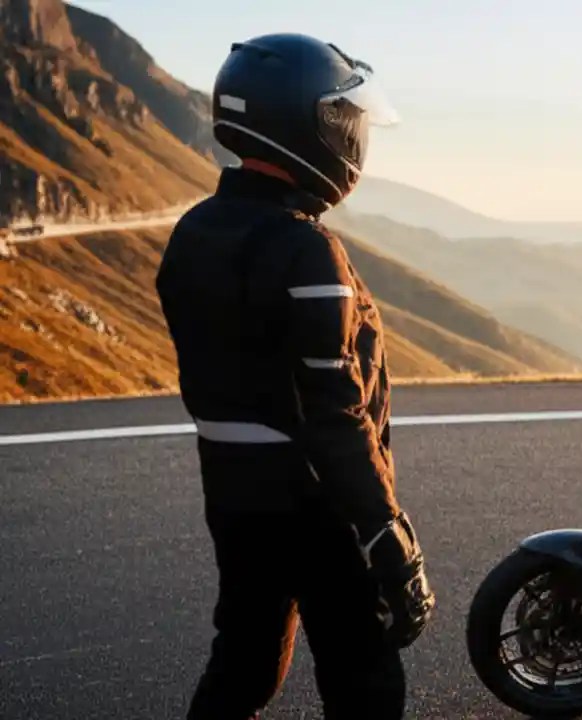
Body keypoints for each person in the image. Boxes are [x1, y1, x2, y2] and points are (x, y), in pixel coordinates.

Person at [155, 33, 434, 720]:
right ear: (304, 125)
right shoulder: (307, 252)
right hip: (314, 503)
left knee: (245, 664)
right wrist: (390, 539)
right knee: (365, 681)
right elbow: (333, 416)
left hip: (232, 488)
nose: (353, 136)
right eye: (342, 118)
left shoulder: (194, 233)